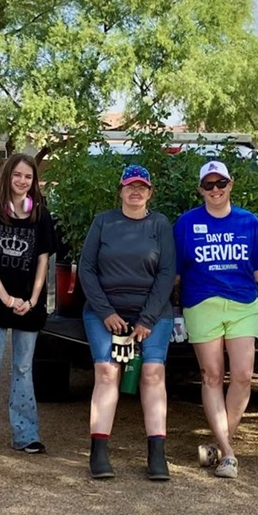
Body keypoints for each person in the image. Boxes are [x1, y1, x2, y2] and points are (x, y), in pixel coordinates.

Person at [172, 160, 258, 479]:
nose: (216, 190)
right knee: (211, 375)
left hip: (243, 304)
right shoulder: (187, 223)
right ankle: (229, 454)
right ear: (200, 189)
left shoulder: (249, 222)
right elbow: (176, 275)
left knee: (244, 375)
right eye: (209, 185)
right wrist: (176, 313)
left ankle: (222, 448)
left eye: (221, 184)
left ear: (231, 185)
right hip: (201, 303)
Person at [77, 165, 176, 481]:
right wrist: (106, 312)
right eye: (130, 186)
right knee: (107, 373)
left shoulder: (160, 224)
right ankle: (99, 451)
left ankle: (157, 452)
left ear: (150, 192)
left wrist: (146, 319)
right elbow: (87, 269)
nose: (136, 191)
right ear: (120, 190)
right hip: (104, 312)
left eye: (142, 187)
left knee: (152, 373)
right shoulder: (103, 222)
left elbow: (166, 273)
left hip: (153, 313)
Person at [0, 153, 55, 455]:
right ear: (8, 177)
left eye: (28, 177)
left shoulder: (41, 214)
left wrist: (31, 300)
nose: (22, 181)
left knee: (22, 369)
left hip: (29, 307)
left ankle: (26, 435)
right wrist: (5, 297)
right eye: (17, 175)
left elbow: (43, 259)